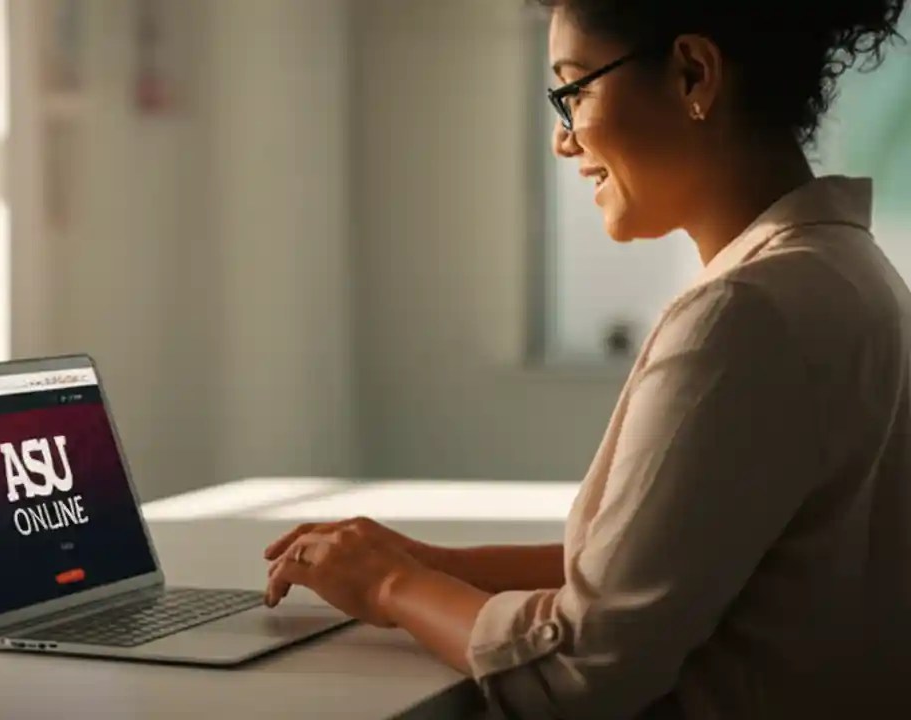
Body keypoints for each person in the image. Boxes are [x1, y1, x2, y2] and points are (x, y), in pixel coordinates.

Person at [261, 1, 911, 717]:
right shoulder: (854, 274)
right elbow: (672, 563)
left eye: (574, 90)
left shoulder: (741, 316)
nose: (561, 141)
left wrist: (392, 589)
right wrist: (429, 563)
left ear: (694, 74)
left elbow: (579, 672)